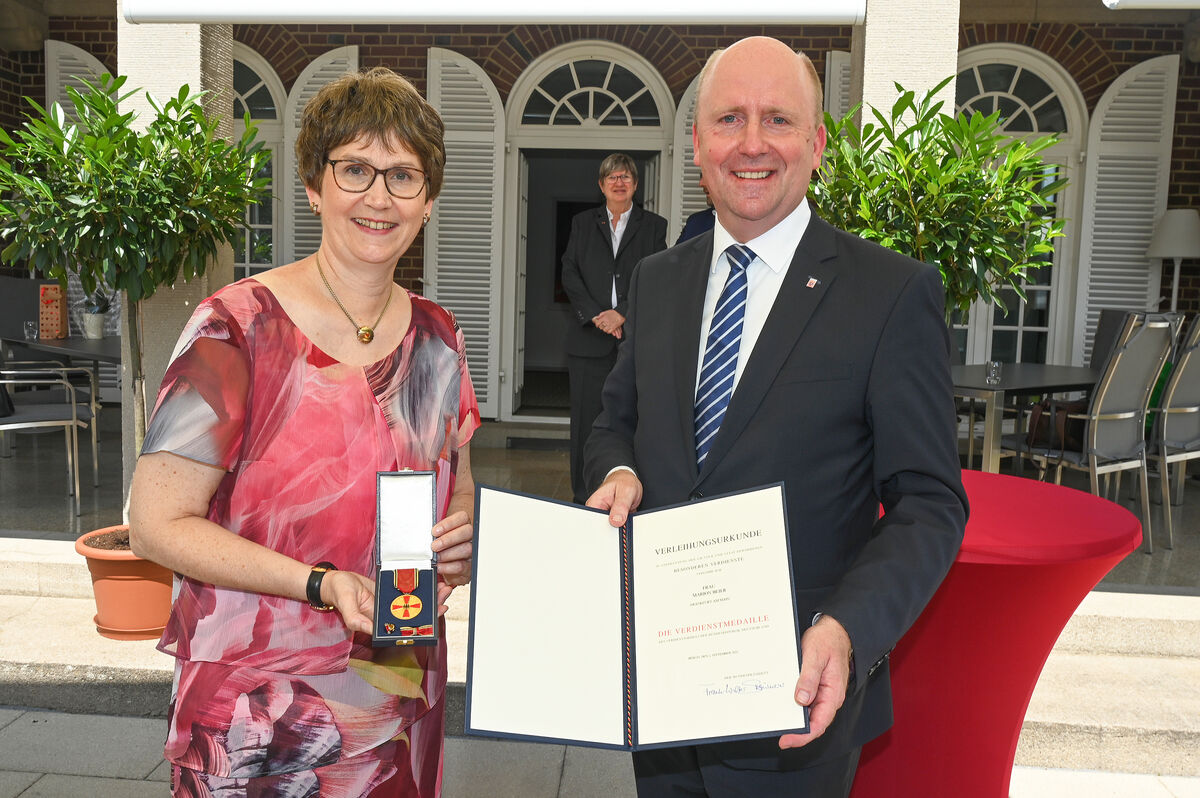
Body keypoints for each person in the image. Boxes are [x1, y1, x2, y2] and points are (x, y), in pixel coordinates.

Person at [584, 37, 968, 797]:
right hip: (659, 689)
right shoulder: (656, 283)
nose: (752, 144)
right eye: (729, 119)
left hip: (797, 703)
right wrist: (618, 471)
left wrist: (848, 629)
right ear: (696, 143)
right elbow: (612, 425)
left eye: (778, 120)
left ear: (818, 144)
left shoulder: (891, 293)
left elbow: (931, 501)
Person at [128, 67, 478, 797]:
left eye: (402, 176)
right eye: (355, 169)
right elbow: (156, 525)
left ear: (429, 200)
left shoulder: (439, 338)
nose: (379, 196)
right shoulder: (237, 327)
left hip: (396, 685)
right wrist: (320, 584)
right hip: (255, 712)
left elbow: (456, 485)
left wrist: (465, 534)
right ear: (314, 186)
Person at [560, 153, 667, 503]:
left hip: (633, 342)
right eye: (611, 177)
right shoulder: (582, 223)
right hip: (589, 341)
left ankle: (626, 493)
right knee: (585, 425)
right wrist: (596, 315)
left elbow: (656, 278)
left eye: (625, 177)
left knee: (630, 421)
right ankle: (583, 497)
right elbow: (570, 273)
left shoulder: (654, 227)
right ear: (601, 185)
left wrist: (621, 313)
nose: (618, 182)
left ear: (635, 184)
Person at [676, 177, 716, 244]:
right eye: (702, 177)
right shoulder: (695, 222)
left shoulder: (739, 223)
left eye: (708, 176)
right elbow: (676, 254)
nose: (701, 183)